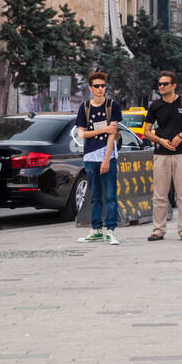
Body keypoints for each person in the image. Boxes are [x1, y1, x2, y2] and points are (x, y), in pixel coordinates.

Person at [145, 70, 182, 241]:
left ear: (173, 85)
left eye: (165, 84)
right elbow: (146, 131)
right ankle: (158, 230)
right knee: (160, 194)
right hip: (161, 154)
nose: (161, 87)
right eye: (159, 84)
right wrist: (160, 140)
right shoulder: (155, 106)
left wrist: (181, 136)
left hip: (180, 153)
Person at [76, 71, 123, 245]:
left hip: (108, 155)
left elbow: (113, 133)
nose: (100, 89)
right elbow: (81, 133)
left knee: (110, 194)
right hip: (90, 155)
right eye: (96, 86)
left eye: (103, 86)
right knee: (95, 195)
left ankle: (110, 229)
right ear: (90, 88)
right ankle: (96, 229)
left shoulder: (112, 106)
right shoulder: (85, 107)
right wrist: (101, 130)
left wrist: (106, 159)